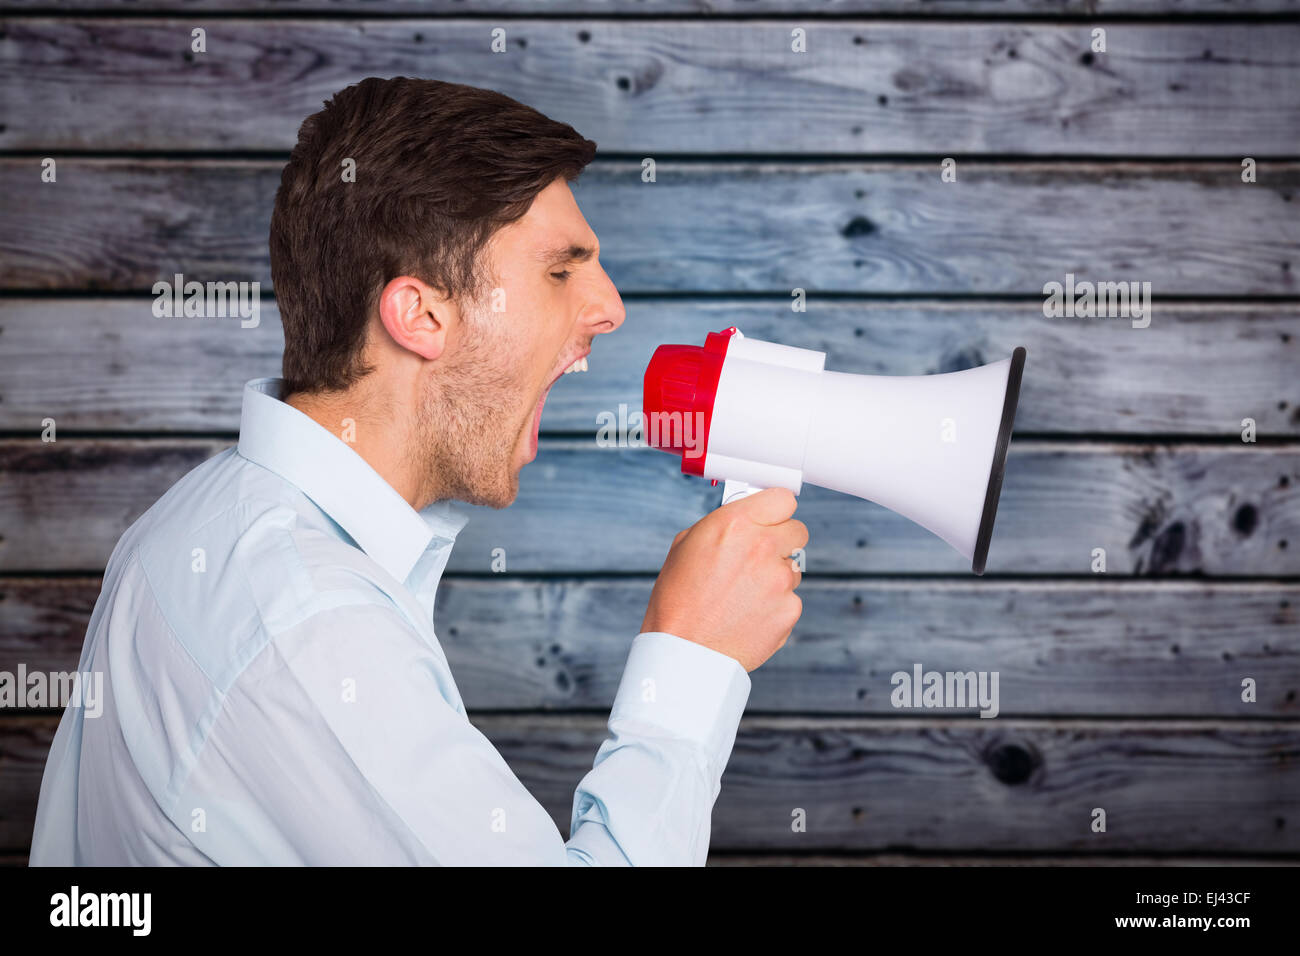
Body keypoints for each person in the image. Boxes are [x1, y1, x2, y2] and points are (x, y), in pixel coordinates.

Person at [29, 77, 806, 866]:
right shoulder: (310, 631)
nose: (609, 308)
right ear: (421, 315)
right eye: (560, 271)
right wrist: (692, 658)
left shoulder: (208, 516)